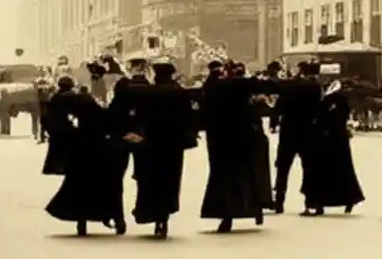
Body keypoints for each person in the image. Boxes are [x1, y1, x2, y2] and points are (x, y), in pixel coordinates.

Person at [200, 62, 278, 233]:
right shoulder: (244, 85)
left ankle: (226, 215)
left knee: (224, 178)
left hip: (221, 138)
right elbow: (270, 89)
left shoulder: (213, 87)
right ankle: (253, 209)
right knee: (249, 175)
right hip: (244, 137)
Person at [44, 77, 126, 237]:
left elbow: (51, 123)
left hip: (78, 153)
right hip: (98, 151)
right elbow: (106, 122)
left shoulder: (58, 102)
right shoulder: (87, 104)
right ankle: (116, 219)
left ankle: (82, 221)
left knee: (78, 187)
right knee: (109, 186)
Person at [128, 60, 196, 239]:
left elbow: (139, 117)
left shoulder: (147, 93)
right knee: (170, 180)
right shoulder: (179, 93)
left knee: (151, 180)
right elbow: (188, 117)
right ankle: (164, 215)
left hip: (151, 143)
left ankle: (153, 212)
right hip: (173, 144)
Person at [300, 75, 365, 215]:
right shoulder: (331, 99)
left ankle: (320, 202)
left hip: (329, 141)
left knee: (327, 172)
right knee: (337, 171)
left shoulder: (333, 100)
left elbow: (330, 119)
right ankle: (340, 200)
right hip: (332, 141)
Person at [271, 61, 320, 214]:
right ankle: (310, 201)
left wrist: (274, 122)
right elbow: (318, 108)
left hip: (288, 130)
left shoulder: (289, 85)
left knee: (283, 167)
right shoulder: (314, 87)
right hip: (307, 130)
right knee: (309, 167)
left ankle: (279, 200)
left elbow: (279, 106)